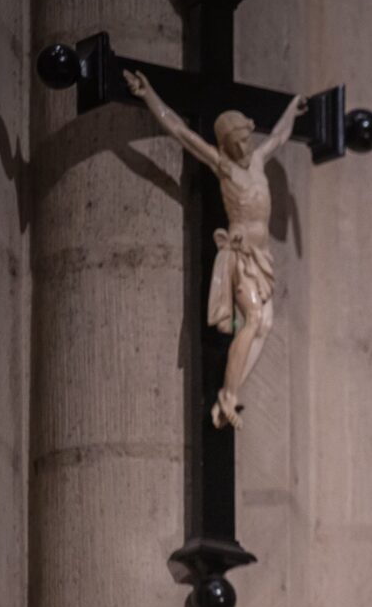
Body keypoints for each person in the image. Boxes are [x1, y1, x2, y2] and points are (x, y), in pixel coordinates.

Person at [123, 68, 304, 429]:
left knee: (265, 324)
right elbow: (178, 130)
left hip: (262, 254)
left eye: (246, 139)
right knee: (253, 319)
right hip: (240, 254)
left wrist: (292, 110)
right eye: (237, 141)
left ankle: (229, 394)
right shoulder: (223, 166)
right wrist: (148, 96)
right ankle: (228, 396)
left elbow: (281, 136)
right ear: (225, 144)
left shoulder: (257, 159)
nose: (245, 146)